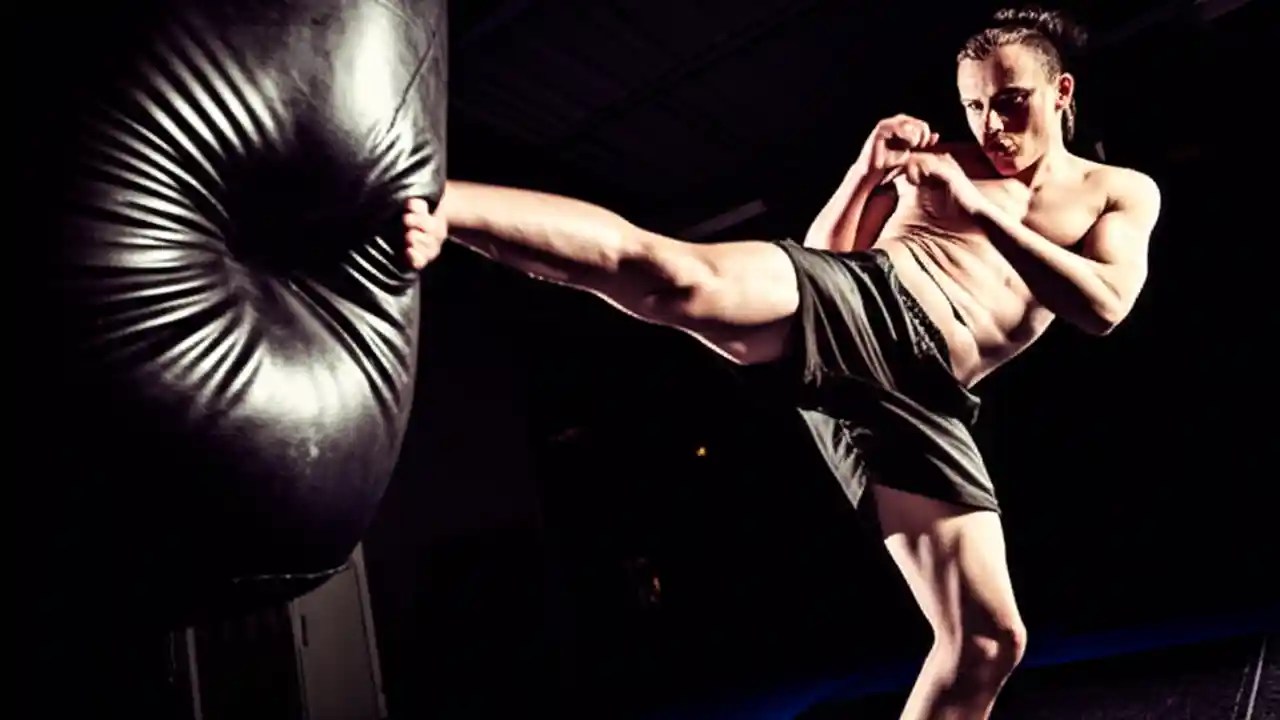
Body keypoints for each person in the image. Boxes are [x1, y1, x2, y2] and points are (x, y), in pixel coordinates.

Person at [404, 6, 1161, 718]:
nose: (990, 125)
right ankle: (433, 202)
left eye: (1010, 101)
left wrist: (981, 210)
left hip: (928, 400)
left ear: (1062, 92)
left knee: (989, 644)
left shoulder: (1116, 191)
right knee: (675, 277)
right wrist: (866, 170)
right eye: (973, 106)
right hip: (871, 301)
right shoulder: (946, 165)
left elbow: (1103, 308)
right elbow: (825, 259)